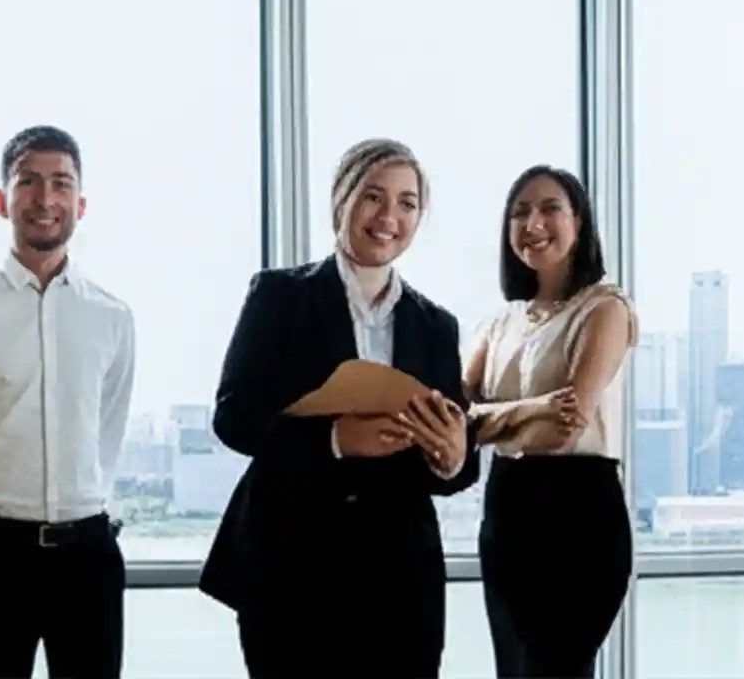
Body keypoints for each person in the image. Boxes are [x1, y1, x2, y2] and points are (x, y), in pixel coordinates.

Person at [199, 138, 480, 678]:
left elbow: (460, 465)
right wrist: (335, 439)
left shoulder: (435, 326)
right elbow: (234, 417)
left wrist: (452, 459)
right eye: (373, 196)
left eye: (407, 203)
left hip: (399, 580)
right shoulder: (279, 296)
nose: (389, 217)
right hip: (291, 568)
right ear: (341, 200)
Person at [0, 125, 136, 679]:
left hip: (88, 556)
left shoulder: (112, 316)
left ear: (80, 204)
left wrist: (88, 503)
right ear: (2, 200)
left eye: (61, 183)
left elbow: (108, 429)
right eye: (28, 182)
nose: (46, 198)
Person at [468, 165, 638, 678]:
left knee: (556, 667)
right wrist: (534, 409)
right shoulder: (500, 322)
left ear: (578, 221)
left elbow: (564, 428)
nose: (533, 224)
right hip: (506, 510)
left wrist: (490, 423)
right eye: (519, 213)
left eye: (549, 209)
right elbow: (457, 419)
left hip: (579, 514)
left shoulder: (605, 308)